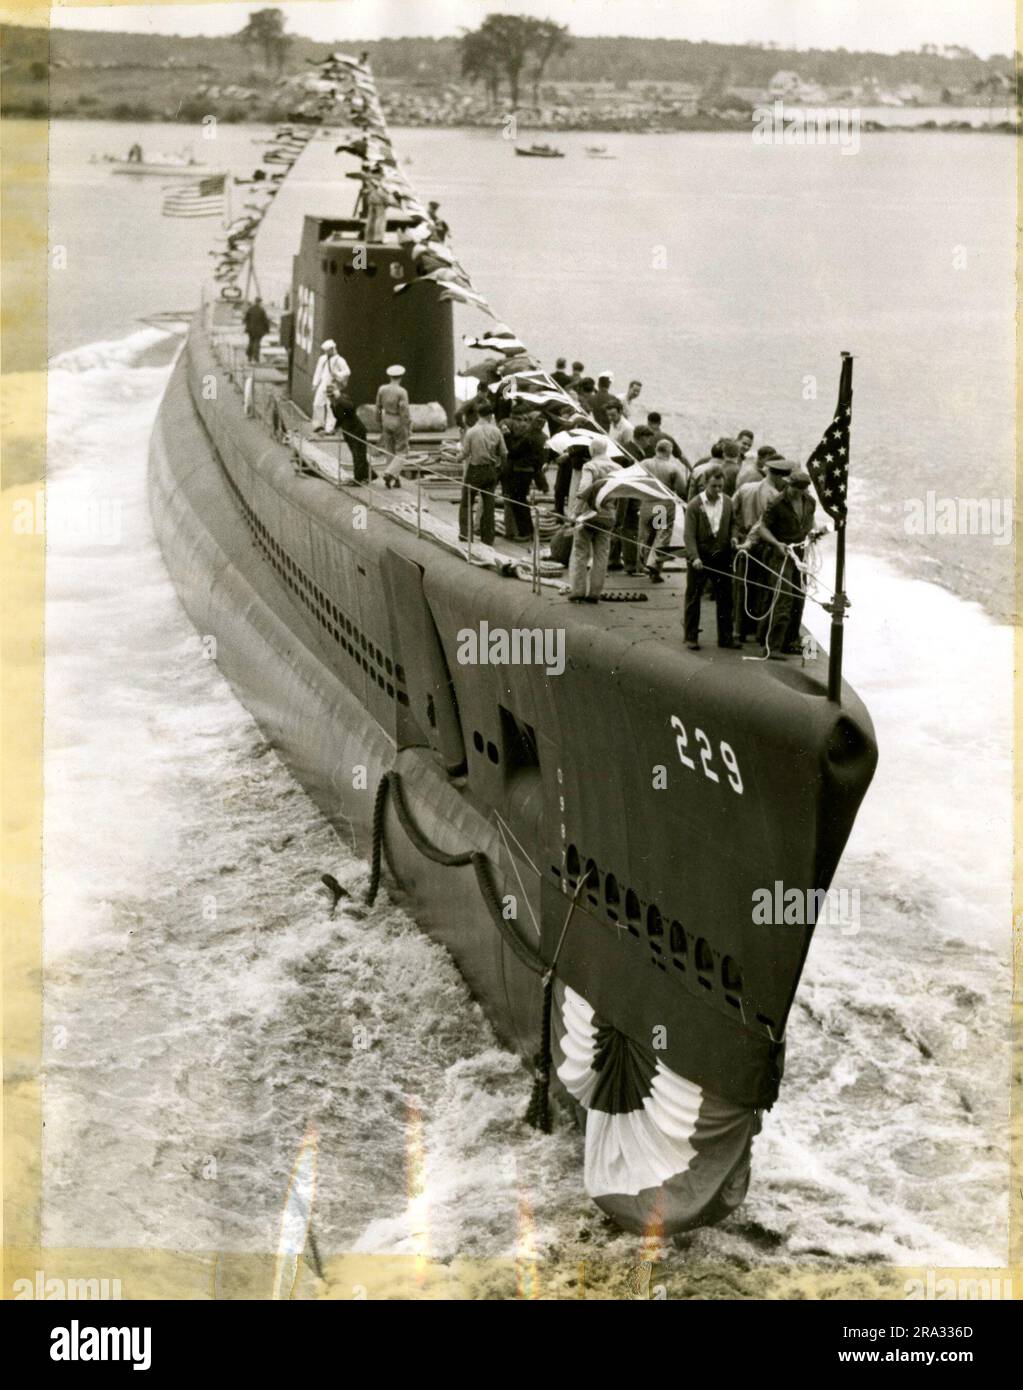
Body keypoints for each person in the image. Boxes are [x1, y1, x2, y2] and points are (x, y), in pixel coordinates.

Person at [755, 467, 818, 659]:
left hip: (801, 554)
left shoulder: (810, 502)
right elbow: (762, 528)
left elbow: (810, 522)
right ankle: (771, 646)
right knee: (783, 598)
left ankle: (789, 641)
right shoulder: (776, 503)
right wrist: (776, 543)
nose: (794, 492)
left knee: (799, 597)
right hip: (781, 554)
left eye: (799, 489)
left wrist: (813, 534)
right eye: (792, 487)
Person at [733, 456, 794, 641]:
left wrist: (736, 536)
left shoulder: (746, 488)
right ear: (780, 477)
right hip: (763, 545)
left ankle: (739, 630)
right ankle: (760, 633)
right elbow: (764, 526)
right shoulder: (775, 497)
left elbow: (731, 511)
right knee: (764, 590)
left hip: (744, 540)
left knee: (743, 587)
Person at [683, 466, 739, 650]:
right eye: (714, 486)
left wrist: (733, 536)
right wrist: (694, 557)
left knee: (725, 598)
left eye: (720, 487)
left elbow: (734, 523)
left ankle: (725, 637)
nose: (717, 490)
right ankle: (691, 636)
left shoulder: (728, 502)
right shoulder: (694, 505)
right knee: (693, 596)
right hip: (700, 557)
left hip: (721, 556)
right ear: (705, 484)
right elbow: (689, 535)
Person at [567, 439, 619, 603]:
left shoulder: (590, 466)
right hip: (608, 514)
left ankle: (578, 590)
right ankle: (595, 593)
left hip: (588, 514)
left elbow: (583, 489)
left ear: (592, 451)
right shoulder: (617, 468)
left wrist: (575, 513)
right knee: (601, 554)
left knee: (580, 551)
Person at [637, 439, 691, 581]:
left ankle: (644, 561)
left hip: (646, 504)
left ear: (656, 449)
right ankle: (654, 565)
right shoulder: (672, 468)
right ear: (670, 451)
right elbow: (681, 489)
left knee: (647, 536)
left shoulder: (644, 464)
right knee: (661, 536)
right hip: (661, 507)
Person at [458, 399, 506, 544]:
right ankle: (488, 538)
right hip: (490, 471)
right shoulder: (496, 431)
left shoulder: (472, 432)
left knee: (467, 502)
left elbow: (465, 453)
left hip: (475, 470)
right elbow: (503, 452)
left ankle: (466, 534)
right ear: (491, 415)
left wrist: (457, 457)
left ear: (478, 414)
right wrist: (498, 465)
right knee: (488, 504)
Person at [500, 406, 547, 541]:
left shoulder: (529, 437)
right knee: (521, 500)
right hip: (530, 471)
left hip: (521, 471)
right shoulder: (543, 437)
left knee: (518, 501)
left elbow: (514, 452)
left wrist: (507, 435)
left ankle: (525, 532)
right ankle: (527, 531)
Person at [376, 365, 411, 487]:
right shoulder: (402, 392)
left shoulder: (382, 389)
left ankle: (395, 480)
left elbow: (378, 407)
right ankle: (389, 473)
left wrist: (379, 422)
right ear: (401, 377)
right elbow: (404, 411)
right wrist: (407, 426)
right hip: (398, 420)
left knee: (389, 451)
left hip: (386, 419)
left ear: (389, 376)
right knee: (402, 451)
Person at [329, 387, 370, 483]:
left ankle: (359, 479)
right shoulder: (332, 405)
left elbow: (351, 408)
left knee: (358, 454)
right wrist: (334, 429)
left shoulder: (343, 399)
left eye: (331, 396)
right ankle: (367, 475)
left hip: (357, 430)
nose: (330, 398)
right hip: (348, 431)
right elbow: (340, 418)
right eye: (328, 396)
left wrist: (339, 398)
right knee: (357, 454)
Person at [311, 340, 351, 434]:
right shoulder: (322, 358)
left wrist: (337, 373)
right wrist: (315, 383)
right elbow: (318, 371)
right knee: (317, 403)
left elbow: (347, 371)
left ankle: (329, 428)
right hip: (323, 384)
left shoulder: (339, 360)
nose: (326, 352)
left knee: (330, 406)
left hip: (333, 386)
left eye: (328, 350)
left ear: (333, 349)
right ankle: (318, 425)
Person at [243, 297, 270, 364]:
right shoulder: (261, 310)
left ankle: (249, 357)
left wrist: (247, 327)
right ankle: (256, 358)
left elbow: (245, 319)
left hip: (250, 330)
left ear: (255, 301)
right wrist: (267, 330)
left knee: (251, 343)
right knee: (257, 344)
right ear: (260, 302)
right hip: (258, 331)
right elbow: (265, 321)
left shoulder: (250, 309)